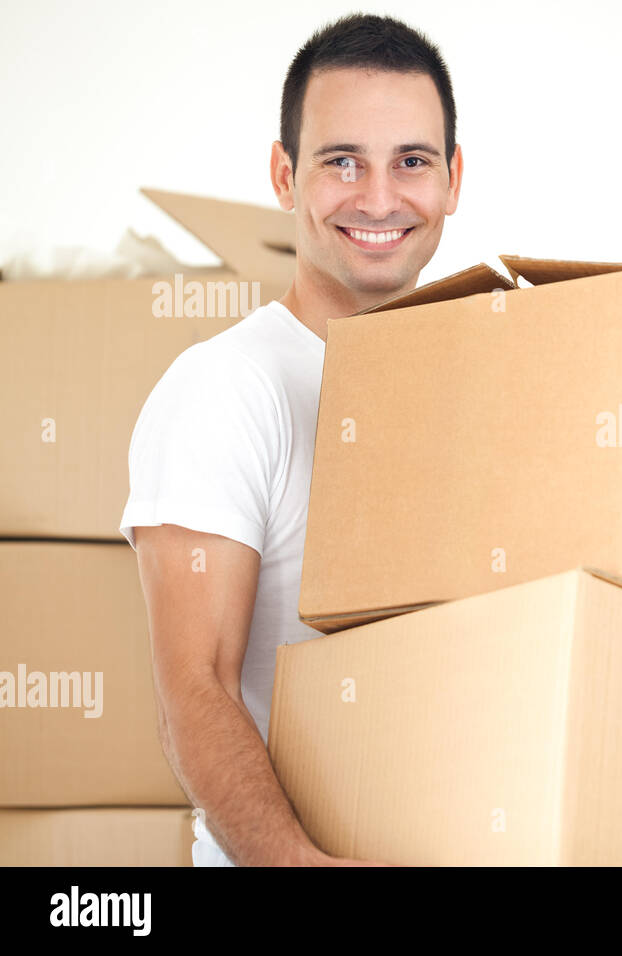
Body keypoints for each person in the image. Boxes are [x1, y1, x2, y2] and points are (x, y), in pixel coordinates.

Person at [120, 12, 463, 866]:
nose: (380, 199)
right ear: (284, 175)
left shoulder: (480, 385)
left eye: (411, 162)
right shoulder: (224, 389)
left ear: (454, 179)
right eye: (341, 161)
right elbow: (193, 690)